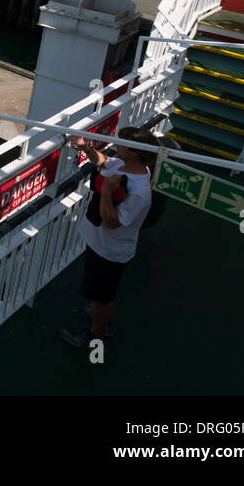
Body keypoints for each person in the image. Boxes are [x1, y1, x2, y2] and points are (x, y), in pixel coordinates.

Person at [61, 126, 155, 349]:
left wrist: (106, 192)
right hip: (101, 246)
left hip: (109, 252)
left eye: (120, 143)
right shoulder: (129, 166)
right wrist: (86, 148)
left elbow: (112, 222)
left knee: (103, 298)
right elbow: (103, 161)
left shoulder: (139, 191)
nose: (115, 144)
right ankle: (99, 314)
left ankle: (95, 337)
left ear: (134, 152)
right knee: (101, 295)